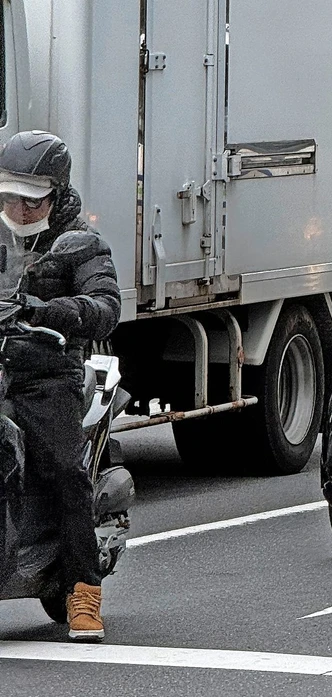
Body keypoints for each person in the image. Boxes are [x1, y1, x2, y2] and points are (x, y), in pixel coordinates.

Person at [0, 131, 121, 641]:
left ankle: (82, 593)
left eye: (32, 200)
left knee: (65, 471)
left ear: (56, 192)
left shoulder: (80, 243)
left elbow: (106, 307)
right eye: (11, 196)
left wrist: (50, 311)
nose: (20, 208)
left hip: (47, 372)